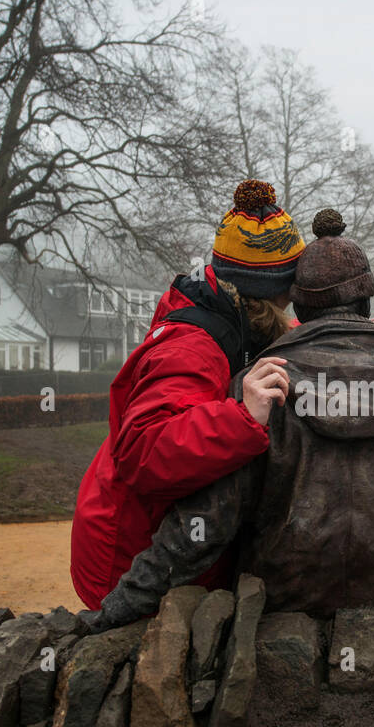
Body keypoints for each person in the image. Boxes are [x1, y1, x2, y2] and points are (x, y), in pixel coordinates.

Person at [93, 209, 374, 628]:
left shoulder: (263, 387)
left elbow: (201, 526)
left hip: (281, 627)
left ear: (300, 302)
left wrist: (116, 611)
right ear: (366, 298)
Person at [70, 179, 306, 611]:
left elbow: (287, 335)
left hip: (173, 550)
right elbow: (143, 448)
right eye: (294, 290)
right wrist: (242, 419)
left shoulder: (238, 320)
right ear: (275, 293)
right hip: (130, 561)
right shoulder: (190, 346)